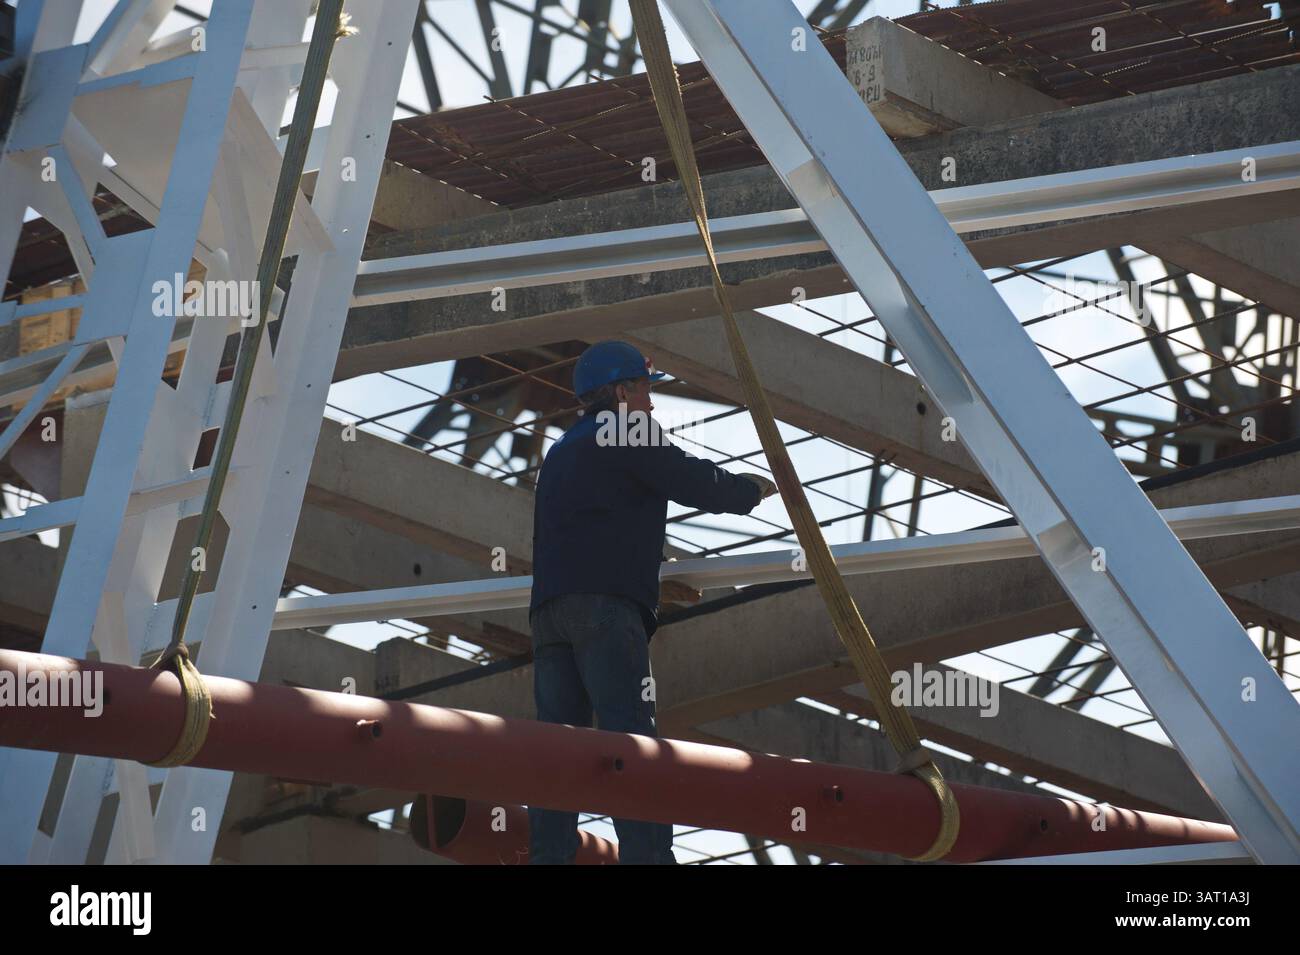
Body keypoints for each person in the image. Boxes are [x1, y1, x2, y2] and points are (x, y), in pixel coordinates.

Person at [527, 340, 776, 864]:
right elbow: (689, 479)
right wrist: (749, 490)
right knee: (631, 750)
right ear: (620, 391)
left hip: (550, 616)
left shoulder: (563, 448)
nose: (652, 405)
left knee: (557, 757)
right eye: (644, 390)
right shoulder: (626, 429)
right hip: (606, 610)